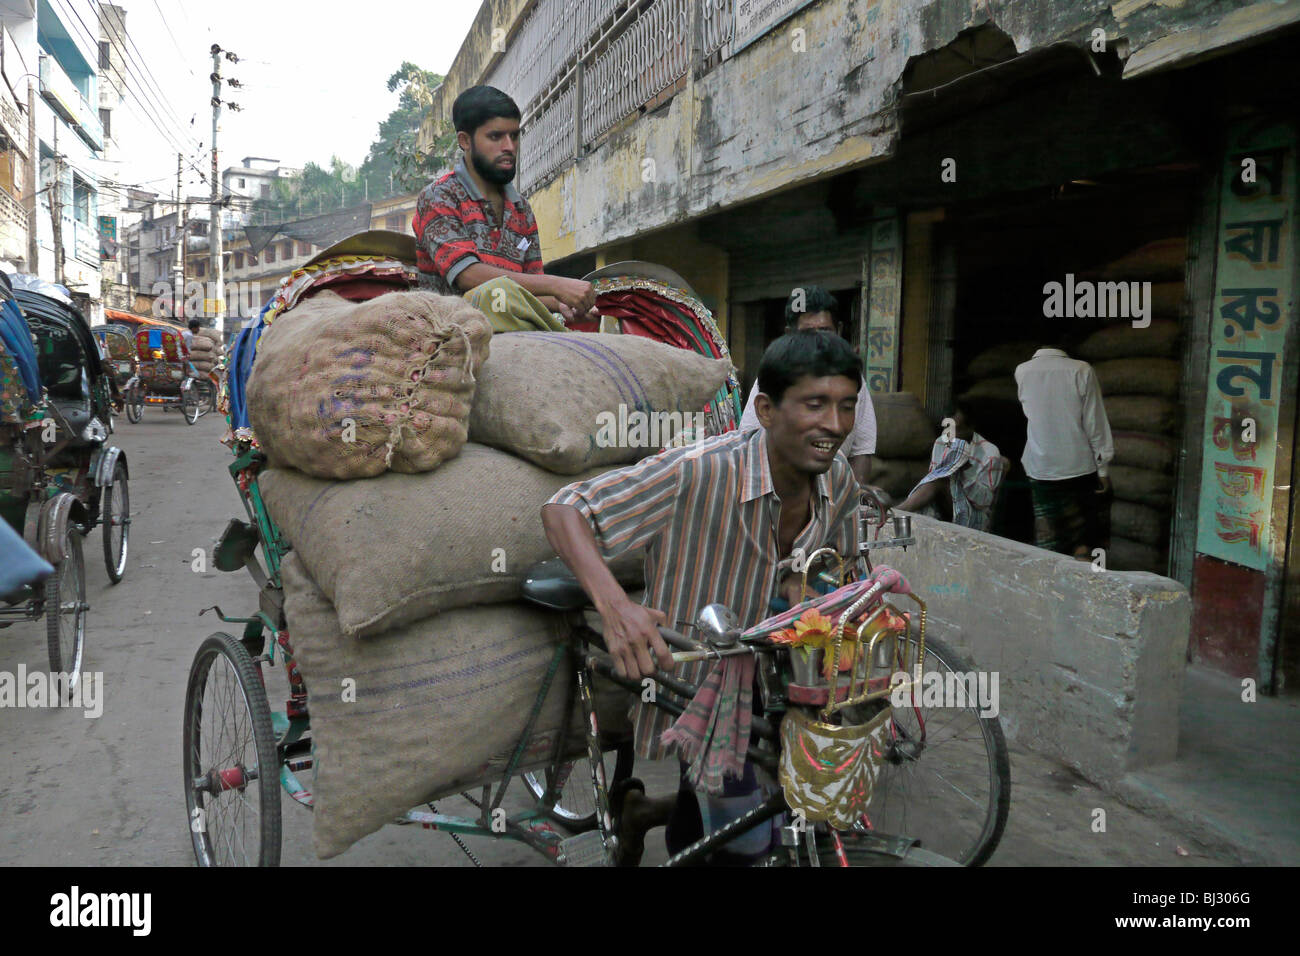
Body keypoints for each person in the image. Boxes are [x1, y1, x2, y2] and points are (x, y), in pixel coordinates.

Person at [541, 329, 862, 865]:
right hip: (700, 682)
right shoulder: (700, 469)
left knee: (780, 796)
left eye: (846, 406)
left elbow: (839, 568)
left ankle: (644, 815)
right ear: (764, 408)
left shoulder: (840, 480)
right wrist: (617, 606)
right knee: (738, 837)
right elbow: (564, 508)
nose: (834, 424)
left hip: (782, 673)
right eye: (815, 404)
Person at [412, 85, 598, 332]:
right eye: (495, 136)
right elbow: (467, 275)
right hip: (450, 335)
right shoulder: (439, 197)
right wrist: (556, 285)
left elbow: (530, 288)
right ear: (465, 141)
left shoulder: (522, 209)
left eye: (515, 135)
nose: (509, 146)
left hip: (511, 336)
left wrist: (561, 302)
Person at [739, 286, 876, 486]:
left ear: (839, 331)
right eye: (814, 404)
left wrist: (853, 499)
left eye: (826, 332)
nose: (835, 425)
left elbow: (862, 449)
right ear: (789, 335)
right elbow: (749, 442)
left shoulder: (853, 382)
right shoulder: (776, 376)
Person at [1015, 343, 1114, 558]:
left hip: (1041, 468)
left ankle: (1051, 587)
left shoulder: (1022, 371)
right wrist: (1103, 468)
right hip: (1078, 466)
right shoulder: (1082, 370)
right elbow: (1094, 423)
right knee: (1083, 541)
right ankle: (1084, 584)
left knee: (1049, 540)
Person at [896, 397, 1005, 533]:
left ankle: (898, 511)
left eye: (957, 429)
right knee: (936, 480)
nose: (951, 435)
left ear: (970, 428)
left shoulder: (990, 453)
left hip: (973, 515)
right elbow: (931, 480)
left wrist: (967, 471)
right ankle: (899, 512)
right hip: (945, 506)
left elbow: (983, 503)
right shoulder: (942, 442)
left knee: (940, 481)